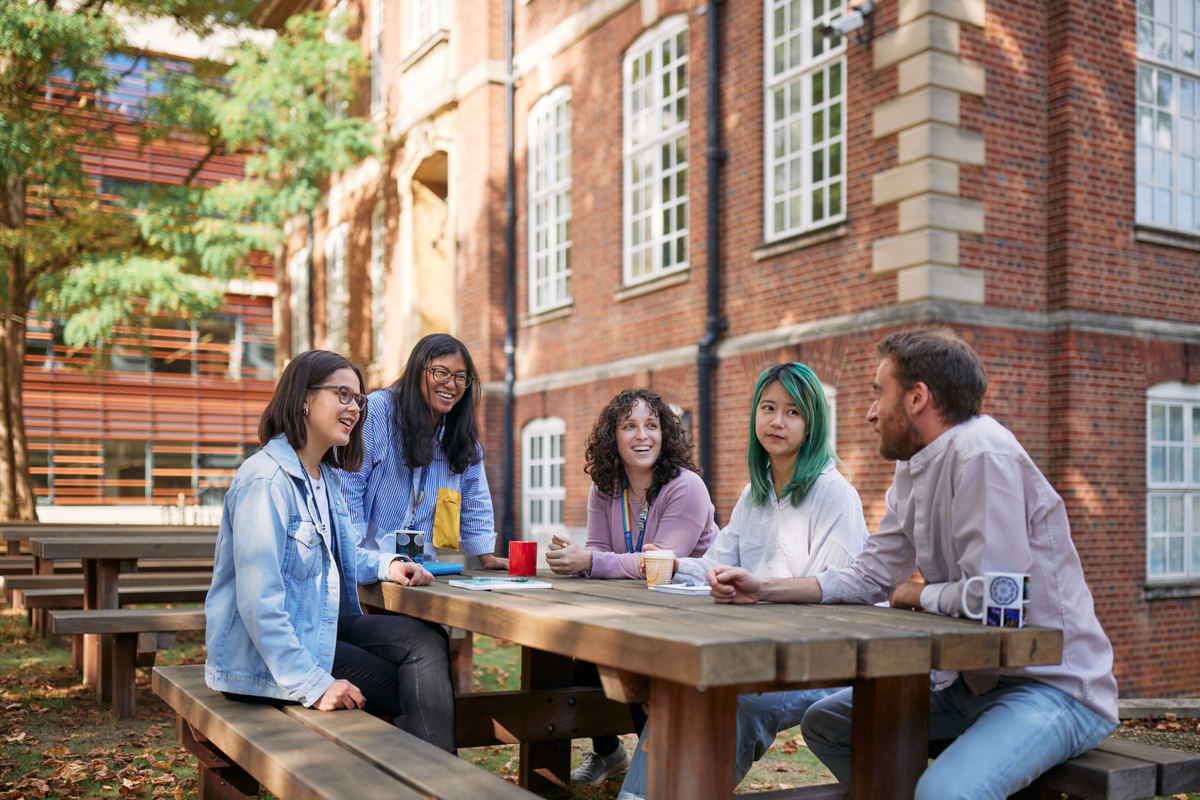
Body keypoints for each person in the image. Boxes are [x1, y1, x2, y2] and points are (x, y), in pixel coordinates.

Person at [710, 329, 1119, 800]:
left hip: (1055, 687)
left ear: (917, 398)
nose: (869, 413)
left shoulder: (984, 453)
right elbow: (868, 576)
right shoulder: (913, 466)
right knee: (828, 724)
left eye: (878, 393)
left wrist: (917, 594)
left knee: (945, 791)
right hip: (969, 684)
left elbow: (1005, 603)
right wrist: (763, 588)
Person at [618, 363, 868, 800]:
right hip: (763, 652)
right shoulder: (755, 494)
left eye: (793, 412)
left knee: (741, 701)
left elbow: (836, 597)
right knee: (682, 689)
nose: (776, 421)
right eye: (768, 408)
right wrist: (674, 565)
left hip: (830, 661)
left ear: (812, 423)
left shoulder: (835, 495)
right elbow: (717, 563)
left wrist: (755, 589)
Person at [204, 350, 457, 752]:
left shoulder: (326, 476)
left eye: (358, 399)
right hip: (262, 660)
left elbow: (343, 554)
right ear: (304, 398)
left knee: (427, 640)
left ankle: (431, 778)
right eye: (342, 395)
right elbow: (258, 604)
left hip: (315, 626)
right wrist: (314, 684)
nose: (355, 408)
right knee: (409, 687)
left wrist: (389, 564)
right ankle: (432, 780)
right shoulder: (266, 480)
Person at [545, 388, 719, 786]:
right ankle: (610, 753)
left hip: (696, 614)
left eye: (652, 426)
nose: (643, 435)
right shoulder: (606, 487)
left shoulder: (685, 486)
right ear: (614, 437)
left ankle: (661, 776)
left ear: (665, 434)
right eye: (630, 426)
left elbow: (659, 566)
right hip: (637, 609)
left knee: (639, 665)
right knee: (582, 661)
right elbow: (599, 552)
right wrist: (577, 560)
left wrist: (589, 562)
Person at [340, 333, 507, 569]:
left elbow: (474, 495)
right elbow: (349, 483)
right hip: (369, 562)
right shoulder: (378, 411)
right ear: (418, 370)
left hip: (424, 566)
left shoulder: (462, 434)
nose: (450, 384)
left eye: (461, 377)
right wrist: (354, 554)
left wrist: (485, 555)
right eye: (441, 372)